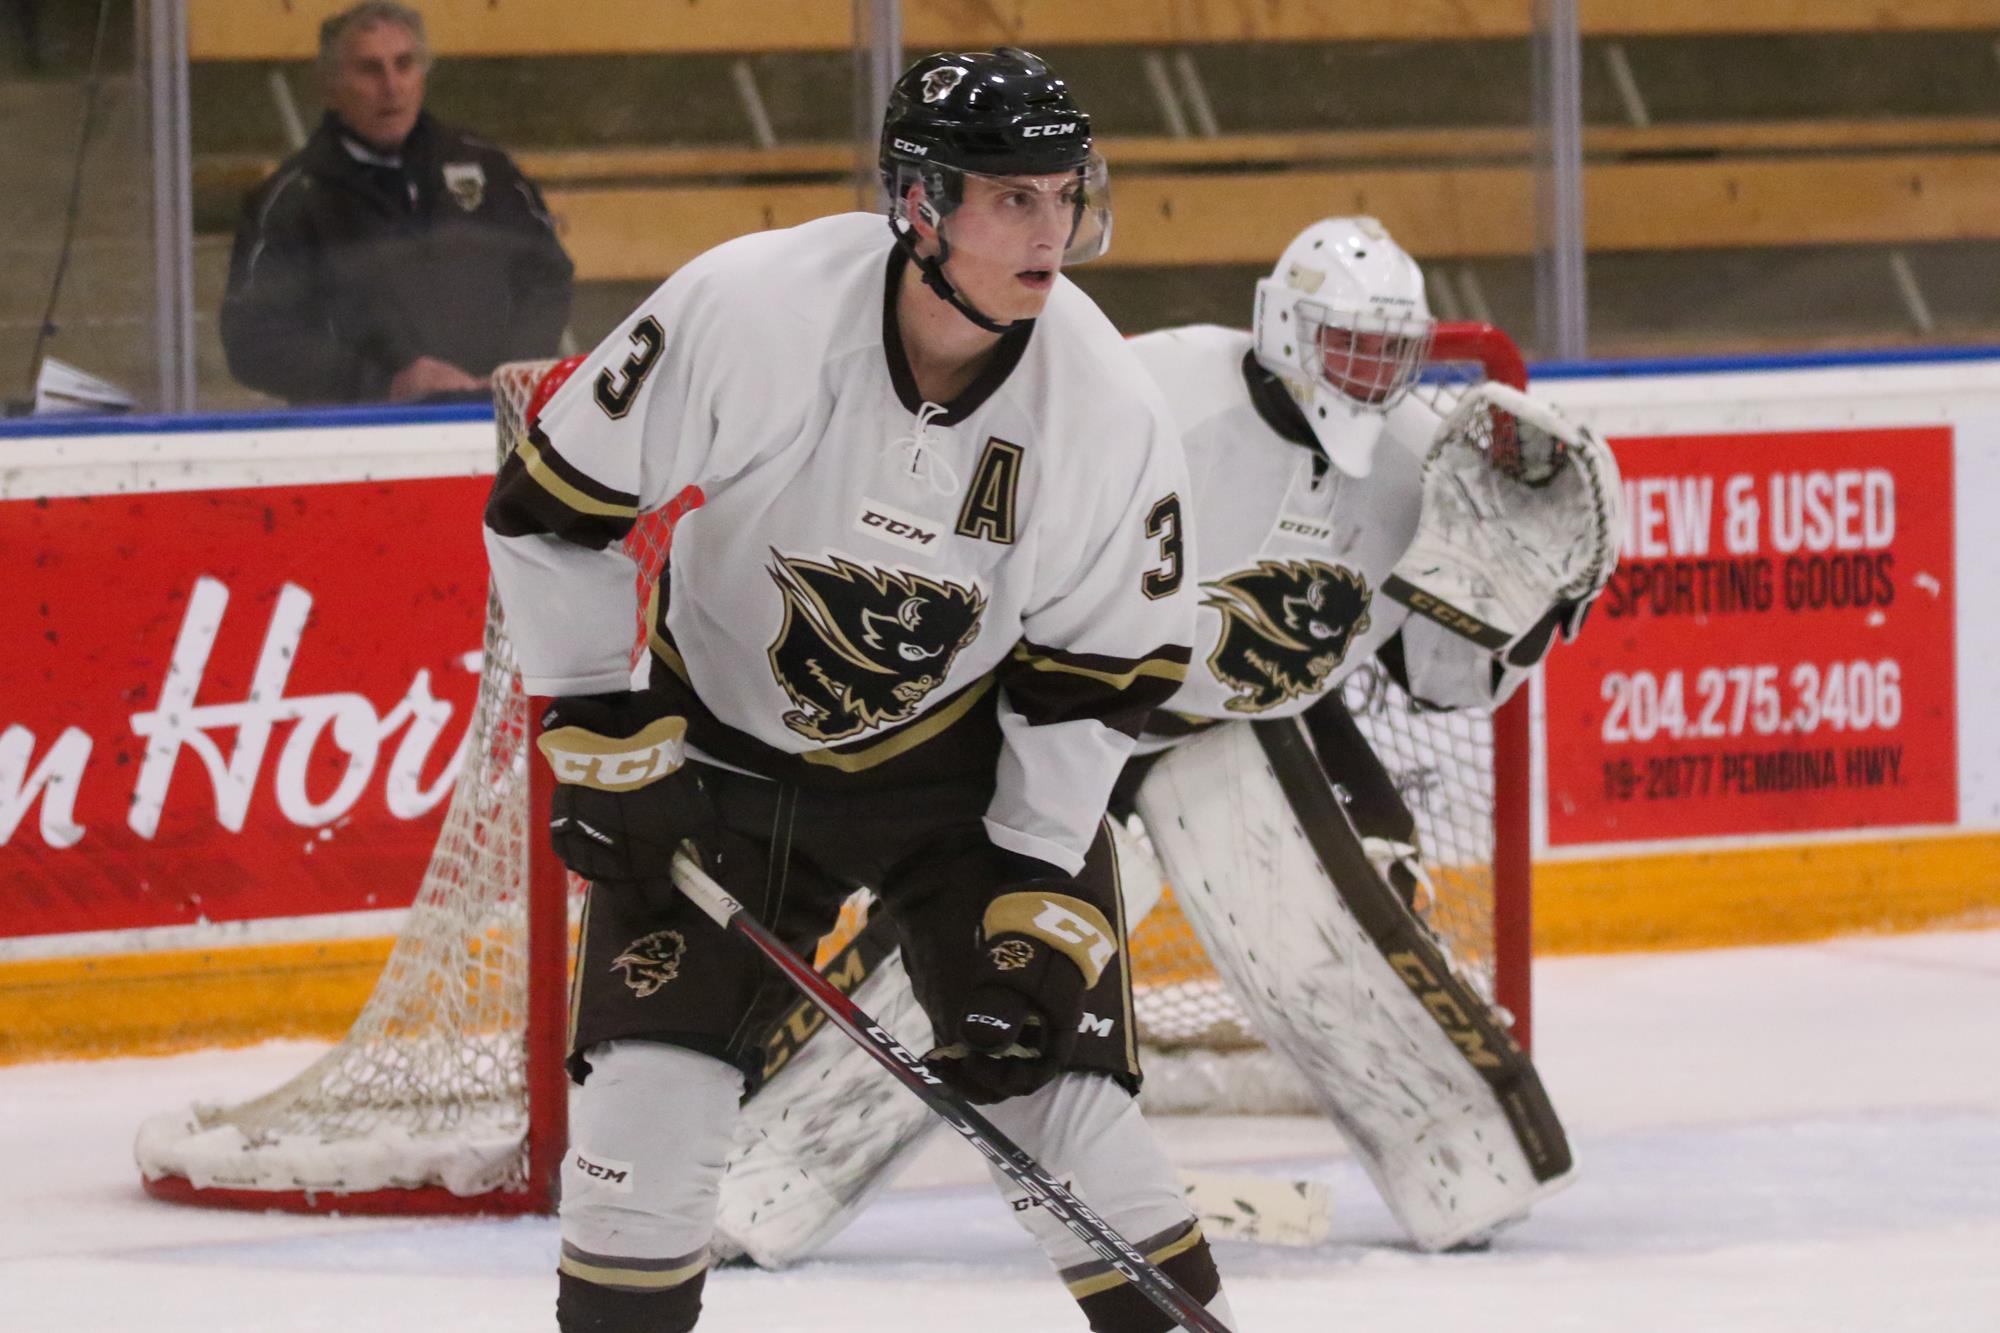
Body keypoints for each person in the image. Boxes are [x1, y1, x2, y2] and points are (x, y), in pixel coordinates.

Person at [483, 48, 1237, 1333]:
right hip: (718, 757)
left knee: (1070, 1117)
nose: (1051, 234)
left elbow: (1100, 680)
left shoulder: (1105, 409)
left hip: (963, 781)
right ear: (919, 202)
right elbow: (553, 512)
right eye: (1013, 199)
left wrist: (1032, 879)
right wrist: (594, 729)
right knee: (634, 1161)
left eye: (1066, 196)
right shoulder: (750, 307)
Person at [711, 217, 1622, 1267]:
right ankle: (752, 1175)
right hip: (1060, 716)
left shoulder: (1424, 467)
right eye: (1344, 343)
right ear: (1282, 326)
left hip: (1235, 729)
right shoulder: (1154, 392)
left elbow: (1435, 681)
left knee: (1335, 935)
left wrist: (1514, 609)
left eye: (1387, 351)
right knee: (966, 956)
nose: (1366, 374)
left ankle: (1463, 1162)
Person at [221, 2, 572, 405]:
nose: (391, 86)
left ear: (422, 75)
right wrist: (382, 386)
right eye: (370, 70)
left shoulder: (488, 170)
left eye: (404, 65)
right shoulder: (291, 199)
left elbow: (547, 276)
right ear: (330, 87)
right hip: (362, 440)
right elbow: (252, 337)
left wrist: (511, 372)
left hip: (491, 419)